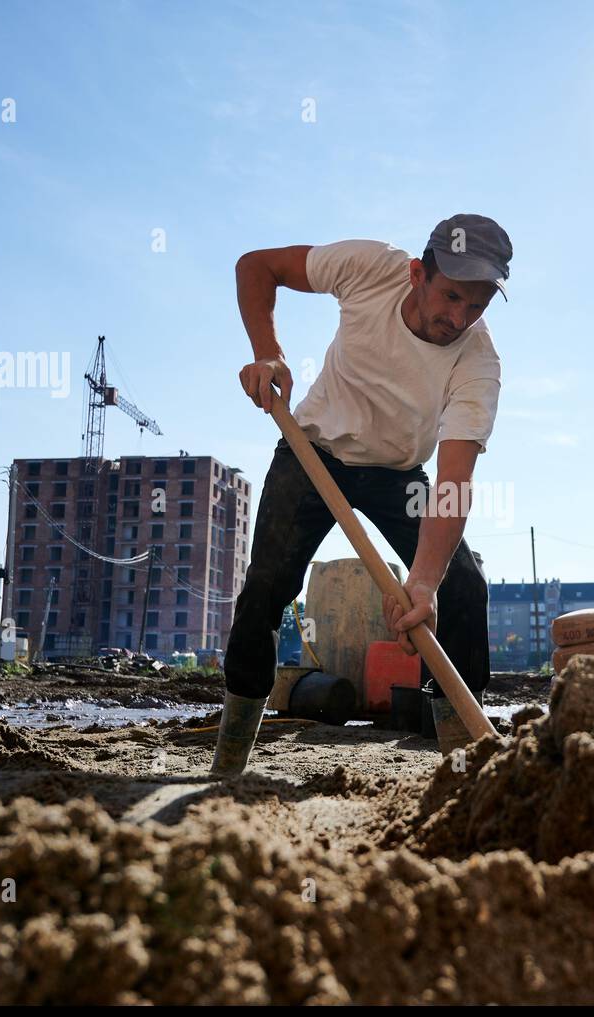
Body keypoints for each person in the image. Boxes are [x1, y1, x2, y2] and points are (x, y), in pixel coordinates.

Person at [212, 214, 513, 774]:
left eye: (476, 306)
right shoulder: (371, 267)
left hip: (398, 472)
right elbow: (257, 266)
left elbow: (452, 482)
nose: (459, 318)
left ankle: (462, 760)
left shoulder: (479, 363)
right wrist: (268, 351)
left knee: (464, 589)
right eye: (450, 297)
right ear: (417, 273)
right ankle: (230, 757)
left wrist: (422, 582)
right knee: (266, 589)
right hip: (314, 451)